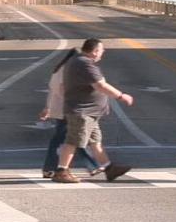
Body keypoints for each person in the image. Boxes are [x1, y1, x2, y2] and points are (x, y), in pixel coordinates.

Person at [52, 38, 133, 184]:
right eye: (102, 50)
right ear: (95, 52)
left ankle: (109, 168)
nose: (104, 52)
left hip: (88, 112)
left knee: (95, 141)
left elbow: (63, 87)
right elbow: (101, 85)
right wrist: (121, 96)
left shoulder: (77, 61)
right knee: (73, 141)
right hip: (82, 112)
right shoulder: (84, 64)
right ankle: (61, 171)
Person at [38, 48, 101, 179]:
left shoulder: (60, 69)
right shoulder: (67, 70)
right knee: (75, 138)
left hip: (64, 109)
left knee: (70, 138)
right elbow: (62, 90)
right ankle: (91, 165)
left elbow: (52, 90)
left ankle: (50, 168)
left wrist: (47, 107)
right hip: (68, 109)